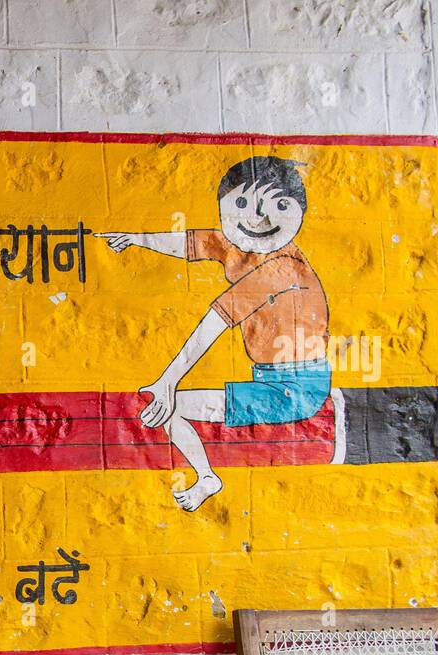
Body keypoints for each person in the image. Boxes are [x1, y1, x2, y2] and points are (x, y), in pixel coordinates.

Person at [99, 155, 330, 511]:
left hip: (295, 388)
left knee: (172, 407)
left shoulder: (282, 267)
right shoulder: (239, 248)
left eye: (279, 206)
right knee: (169, 407)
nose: (258, 219)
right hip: (270, 376)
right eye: (242, 204)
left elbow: (217, 320)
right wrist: (136, 239)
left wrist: (168, 380)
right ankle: (207, 476)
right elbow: (192, 243)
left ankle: (207, 477)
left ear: (298, 212)